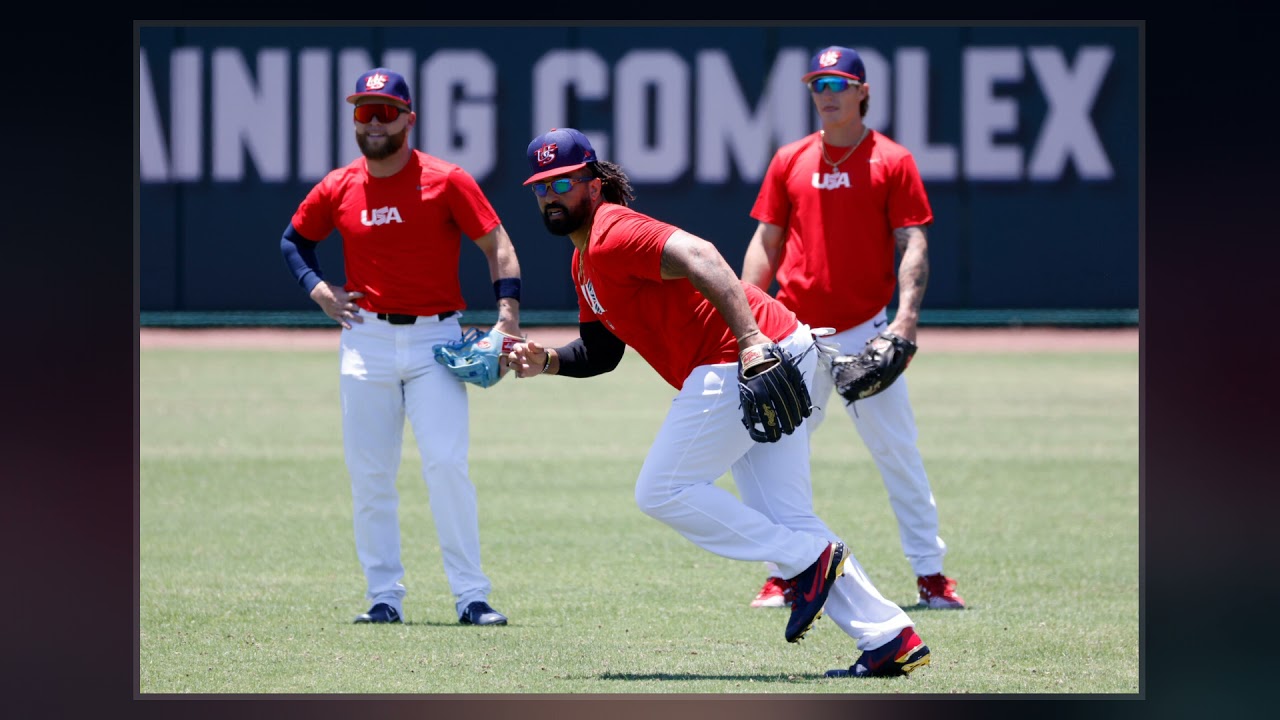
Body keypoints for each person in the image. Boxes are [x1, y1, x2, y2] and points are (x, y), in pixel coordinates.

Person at [505, 127, 930, 678]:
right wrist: (548, 361)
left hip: (743, 357)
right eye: (540, 187)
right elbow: (603, 351)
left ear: (593, 182)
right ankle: (890, 639)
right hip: (770, 350)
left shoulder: (613, 230)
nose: (550, 196)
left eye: (562, 182)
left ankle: (808, 562)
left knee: (661, 490)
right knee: (788, 516)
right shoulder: (584, 260)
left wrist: (753, 343)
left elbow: (701, 254)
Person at [278, 67, 520, 627]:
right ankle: (383, 597)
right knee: (370, 474)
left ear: (409, 118)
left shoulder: (446, 179)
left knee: (446, 465)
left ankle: (471, 596)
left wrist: (506, 316)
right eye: (365, 110)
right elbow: (294, 240)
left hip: (437, 337)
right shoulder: (338, 186)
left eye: (387, 110)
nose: (375, 121)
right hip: (366, 342)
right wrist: (318, 289)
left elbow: (497, 243)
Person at [741, 46, 965, 611]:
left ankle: (932, 576)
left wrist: (905, 325)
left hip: (868, 331)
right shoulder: (789, 158)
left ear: (863, 90)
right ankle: (785, 572)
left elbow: (912, 242)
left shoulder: (891, 160)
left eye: (839, 82)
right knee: (777, 450)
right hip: (797, 332)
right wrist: (748, 319)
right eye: (818, 83)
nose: (827, 93)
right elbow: (767, 242)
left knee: (898, 453)